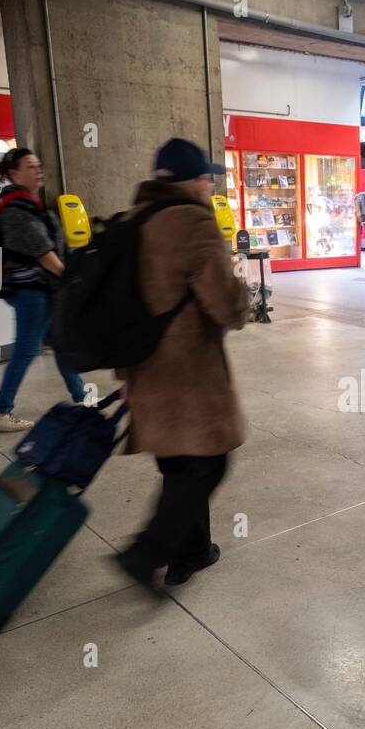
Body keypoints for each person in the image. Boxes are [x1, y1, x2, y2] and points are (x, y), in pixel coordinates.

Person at [113, 138, 250, 591]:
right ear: (193, 181)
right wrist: (241, 298)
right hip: (189, 372)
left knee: (178, 463)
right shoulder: (193, 222)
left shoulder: (134, 220)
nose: (208, 186)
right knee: (208, 465)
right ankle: (145, 553)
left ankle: (189, 553)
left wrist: (124, 374)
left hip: (143, 368)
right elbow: (226, 304)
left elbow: (122, 305)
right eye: (205, 178)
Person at [0, 147, 85, 432]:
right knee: (27, 350)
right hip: (31, 289)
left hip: (42, 289)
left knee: (60, 341)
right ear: (14, 173)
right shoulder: (15, 208)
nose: (38, 170)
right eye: (30, 166)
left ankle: (82, 396)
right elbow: (42, 252)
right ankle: (1, 411)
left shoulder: (27, 203)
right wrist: (71, 279)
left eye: (38, 165)